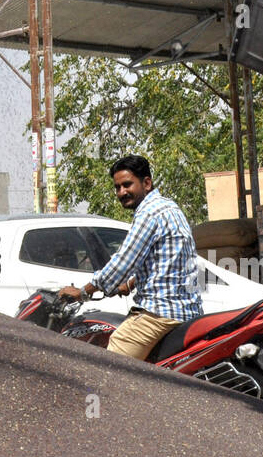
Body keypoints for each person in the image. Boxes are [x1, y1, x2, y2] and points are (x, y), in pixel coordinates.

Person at [58, 154, 201, 360]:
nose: (122, 192)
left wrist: (82, 292)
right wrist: (131, 283)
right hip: (186, 310)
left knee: (112, 366)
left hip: (159, 314)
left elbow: (122, 263)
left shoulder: (149, 213)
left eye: (127, 185)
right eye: (117, 187)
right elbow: (168, 260)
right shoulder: (169, 207)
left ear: (147, 183)